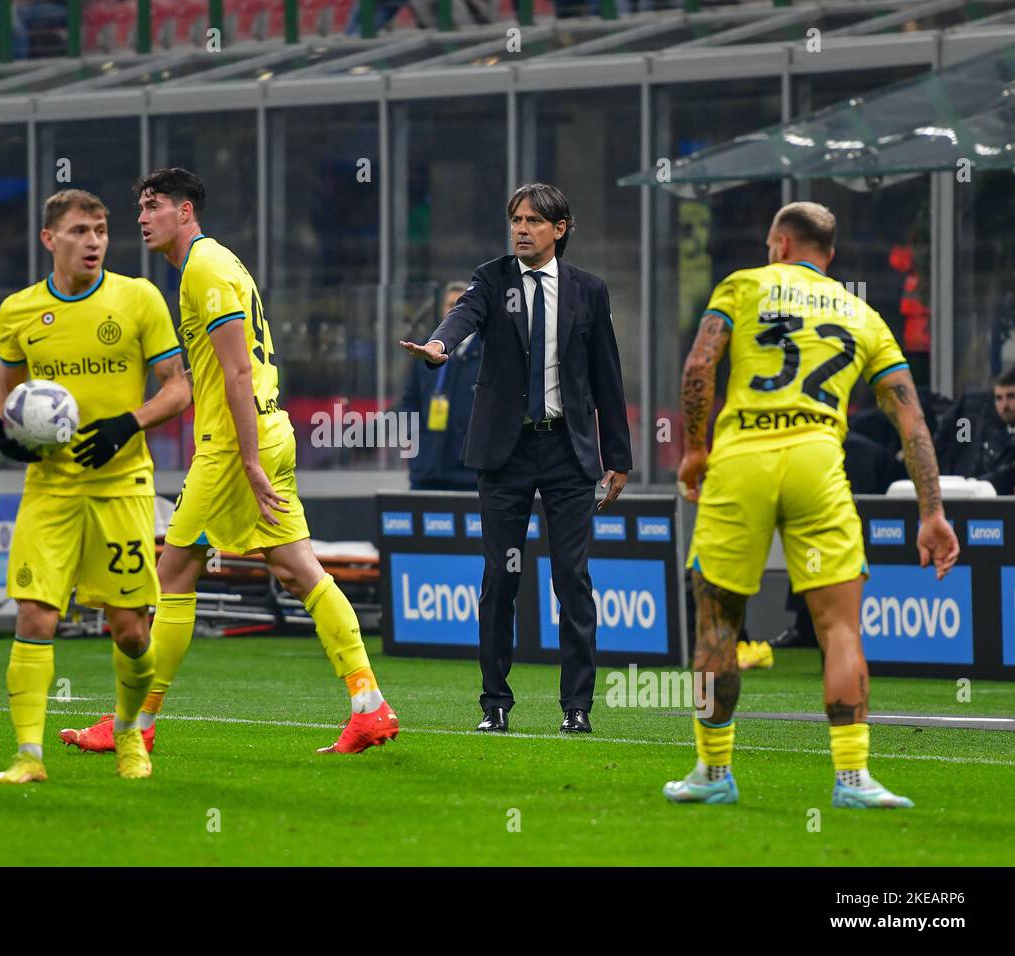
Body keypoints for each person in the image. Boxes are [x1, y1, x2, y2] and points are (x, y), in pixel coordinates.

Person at [63, 167, 399, 756]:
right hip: (270, 431)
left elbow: (238, 368)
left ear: (185, 211)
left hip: (235, 447)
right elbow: (222, 372)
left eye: (152, 205)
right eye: (139, 207)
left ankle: (133, 724)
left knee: (172, 574)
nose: (141, 218)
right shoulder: (215, 264)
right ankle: (368, 704)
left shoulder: (206, 268)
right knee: (298, 569)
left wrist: (245, 460)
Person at [670, 201, 959, 809]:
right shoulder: (862, 313)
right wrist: (931, 512)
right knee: (840, 627)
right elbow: (910, 419)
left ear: (778, 242)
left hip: (743, 458)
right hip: (818, 462)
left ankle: (712, 771)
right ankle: (853, 779)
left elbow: (701, 363)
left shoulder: (743, 285)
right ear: (829, 254)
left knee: (718, 623)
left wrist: (695, 450)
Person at [400, 182, 632, 735]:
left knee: (572, 580)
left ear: (560, 229)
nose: (521, 229)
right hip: (505, 453)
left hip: (567, 452)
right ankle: (495, 705)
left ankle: (577, 708)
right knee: (500, 579)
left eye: (532, 221)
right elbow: (463, 318)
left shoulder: (589, 291)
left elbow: (607, 377)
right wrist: (439, 346)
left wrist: (617, 456)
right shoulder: (491, 278)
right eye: (515, 220)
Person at [0, 189, 190, 785]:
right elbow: (5, 394)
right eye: (80, 231)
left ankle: (129, 734)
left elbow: (178, 388)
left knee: (130, 630)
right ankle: (29, 754)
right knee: (35, 617)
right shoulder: (18, 311)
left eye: (101, 230)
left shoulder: (138, 298)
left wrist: (127, 424)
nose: (95, 241)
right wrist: (3, 430)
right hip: (49, 488)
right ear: (50, 240)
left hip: (122, 484)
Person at [397, 281, 480, 492]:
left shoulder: (488, 352)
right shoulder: (424, 348)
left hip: (469, 473)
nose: (454, 310)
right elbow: (409, 401)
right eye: (450, 304)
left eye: (461, 305)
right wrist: (415, 440)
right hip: (427, 470)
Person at [933, 365, 1015, 494]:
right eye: (999, 398)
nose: (1004, 405)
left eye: (1011, 396)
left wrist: (977, 486)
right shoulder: (988, 430)